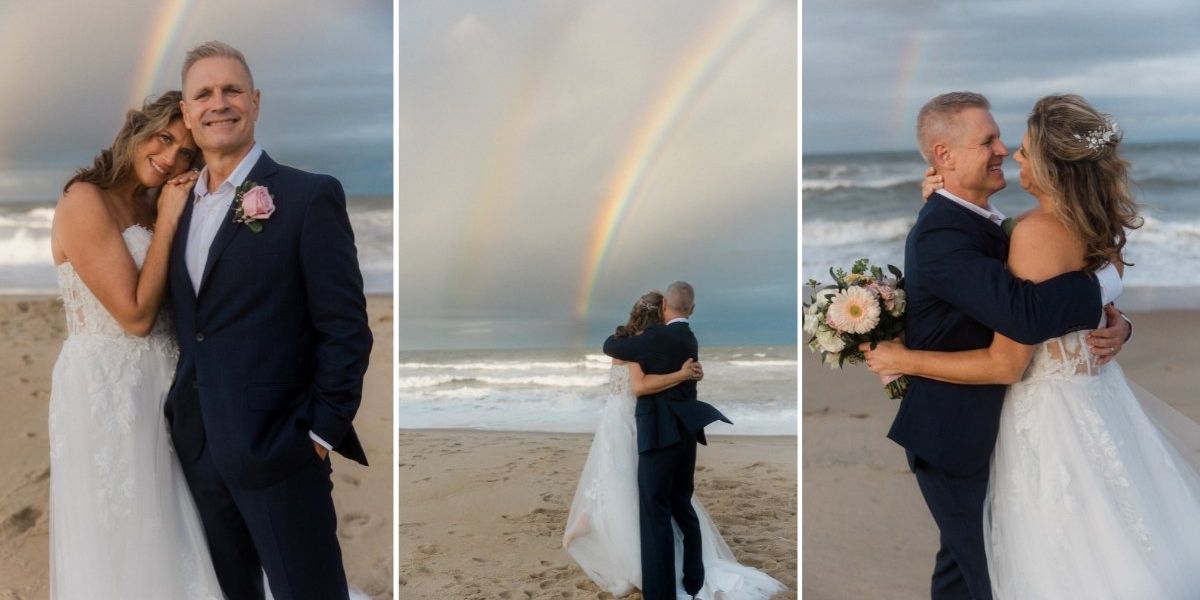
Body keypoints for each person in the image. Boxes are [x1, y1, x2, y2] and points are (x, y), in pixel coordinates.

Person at [864, 94, 1200, 599]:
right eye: (990, 141)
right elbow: (1026, 318)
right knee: (988, 573)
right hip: (958, 432)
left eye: (1015, 145)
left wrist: (1118, 317)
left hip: (1029, 418)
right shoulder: (955, 234)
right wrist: (1105, 287)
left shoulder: (1010, 224)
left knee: (975, 570)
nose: (1006, 152)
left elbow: (1028, 316)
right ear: (944, 155)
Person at [163, 41, 372, 599]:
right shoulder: (174, 208)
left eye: (232, 90)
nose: (219, 103)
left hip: (281, 451)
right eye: (203, 94)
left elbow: (346, 327)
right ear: (186, 113)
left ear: (255, 102)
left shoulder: (308, 197)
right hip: (198, 450)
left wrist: (318, 434)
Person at [48, 91, 225, 597]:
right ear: (136, 129)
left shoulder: (150, 203)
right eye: (163, 138)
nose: (170, 157)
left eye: (185, 153)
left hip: (163, 384)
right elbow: (136, 316)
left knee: (171, 519)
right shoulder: (85, 199)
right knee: (122, 526)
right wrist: (167, 220)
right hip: (106, 390)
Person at [565, 289, 785, 599]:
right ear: (685, 308)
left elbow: (630, 373)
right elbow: (651, 381)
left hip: (647, 428)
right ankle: (691, 577)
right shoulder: (686, 337)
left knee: (650, 503)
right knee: (674, 501)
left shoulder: (644, 342)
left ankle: (658, 584)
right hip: (661, 428)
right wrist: (684, 374)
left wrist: (680, 372)